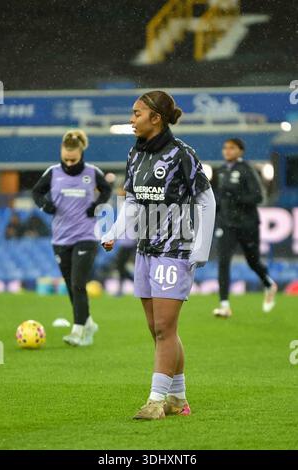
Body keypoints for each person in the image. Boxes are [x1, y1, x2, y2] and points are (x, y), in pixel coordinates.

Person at [101, 90, 216, 420]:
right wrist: (113, 231)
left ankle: (155, 401)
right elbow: (134, 202)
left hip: (174, 249)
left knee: (165, 328)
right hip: (146, 250)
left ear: (157, 118)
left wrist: (201, 247)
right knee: (159, 330)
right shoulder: (135, 155)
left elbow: (206, 201)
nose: (131, 119)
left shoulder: (182, 155)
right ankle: (178, 398)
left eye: (137, 113)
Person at [32, 129, 112, 346]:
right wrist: (45, 205)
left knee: (78, 282)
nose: (69, 163)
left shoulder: (92, 172)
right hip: (60, 238)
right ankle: (88, 322)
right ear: (61, 152)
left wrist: (97, 206)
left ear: (81, 153)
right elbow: (36, 192)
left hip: (86, 235)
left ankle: (78, 331)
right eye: (65, 158)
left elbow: (106, 189)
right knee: (70, 285)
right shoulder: (53, 172)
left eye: (73, 159)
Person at [213, 138, 277, 318]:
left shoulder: (247, 170)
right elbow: (220, 199)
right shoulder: (222, 170)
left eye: (232, 148)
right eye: (225, 148)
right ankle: (224, 305)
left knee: (253, 261)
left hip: (246, 224)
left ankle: (268, 284)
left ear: (240, 151)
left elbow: (258, 198)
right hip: (226, 224)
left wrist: (236, 196)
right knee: (223, 262)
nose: (227, 151)